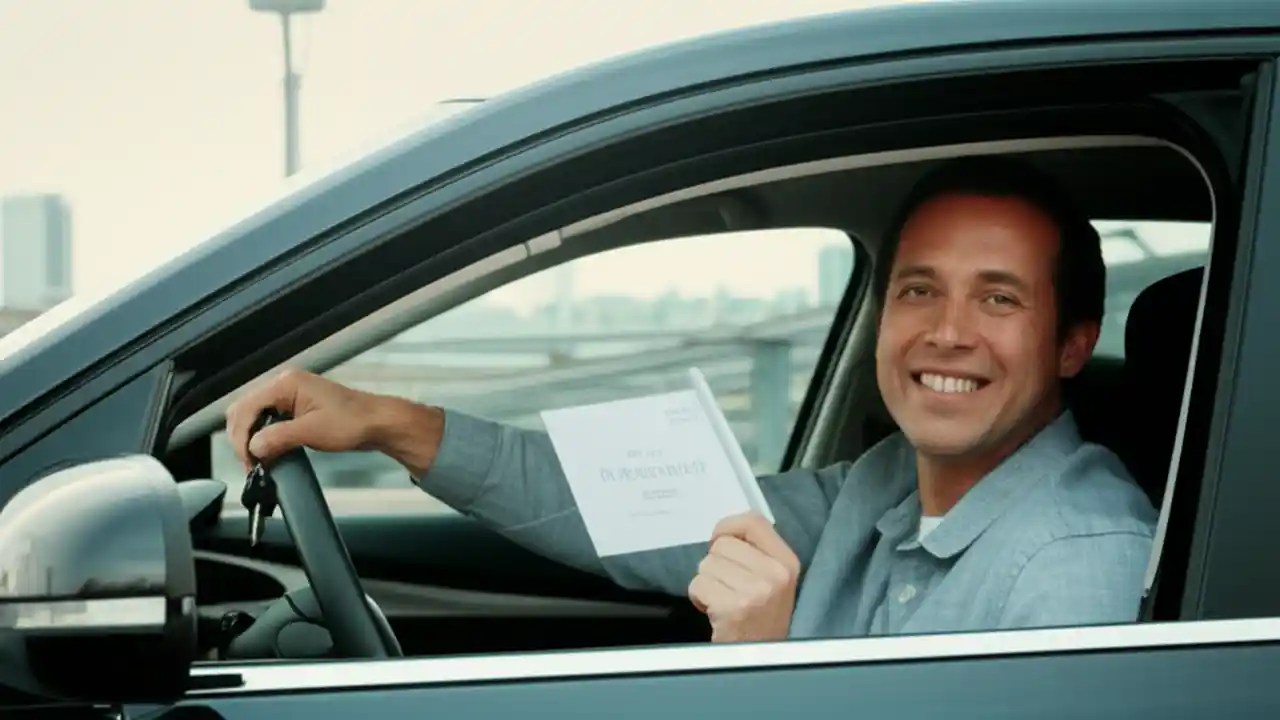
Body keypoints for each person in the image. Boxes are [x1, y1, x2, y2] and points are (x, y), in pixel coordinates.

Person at [226, 155, 1157, 643]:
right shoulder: (881, 490)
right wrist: (390, 424)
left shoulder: (1078, 566)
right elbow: (622, 501)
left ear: (1074, 342)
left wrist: (763, 664)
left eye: (998, 298)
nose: (946, 332)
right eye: (919, 289)